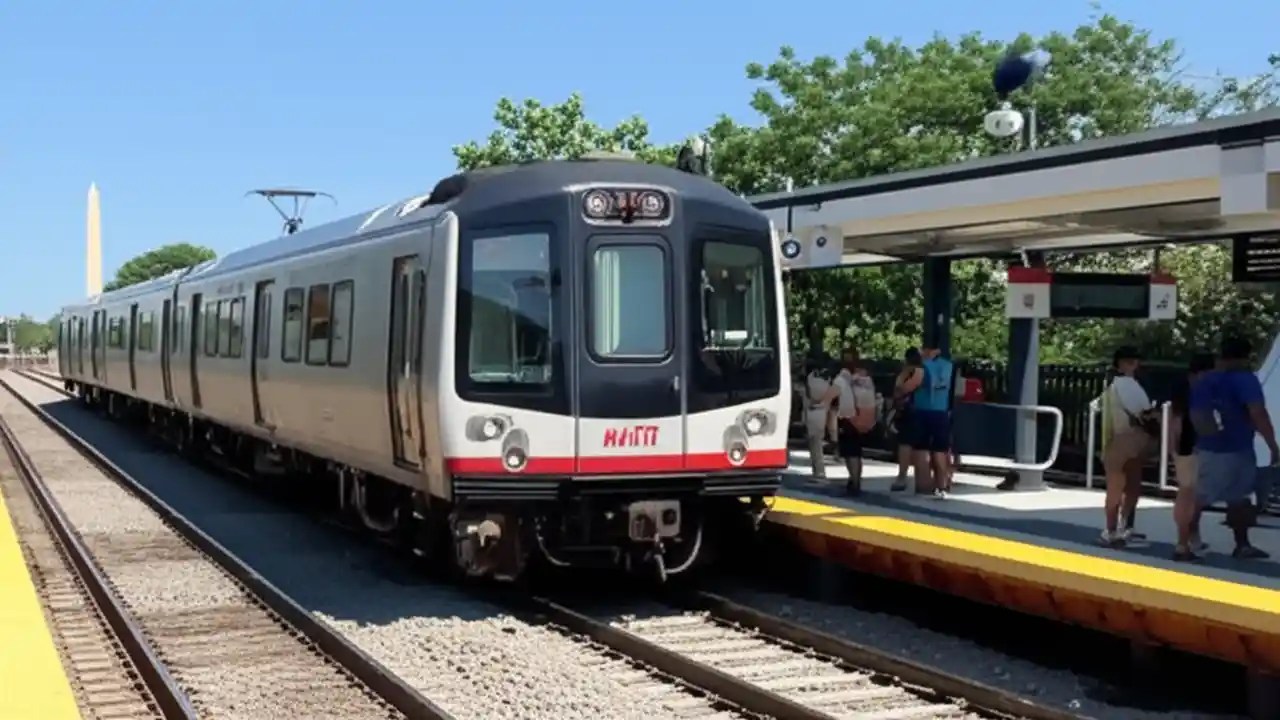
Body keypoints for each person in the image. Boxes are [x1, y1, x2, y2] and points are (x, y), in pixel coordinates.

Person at [1189, 336, 1276, 560]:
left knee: (1201, 496)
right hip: (1238, 447)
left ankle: (1188, 539)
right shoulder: (1246, 380)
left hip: (1208, 446)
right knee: (1238, 497)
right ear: (1246, 357)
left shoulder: (1206, 380)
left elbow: (1196, 412)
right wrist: (1272, 445)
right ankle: (1241, 544)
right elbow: (1257, 413)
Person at [1099, 347, 1158, 548]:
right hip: (1130, 440)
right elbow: (1144, 413)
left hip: (1113, 439)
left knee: (1117, 487)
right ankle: (1119, 528)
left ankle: (1113, 529)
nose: (1134, 364)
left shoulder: (1112, 386)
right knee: (1130, 487)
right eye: (1131, 361)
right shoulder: (1128, 385)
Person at [1169, 352, 1215, 560]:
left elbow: (1175, 420)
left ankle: (1186, 540)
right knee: (1192, 496)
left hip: (1184, 446)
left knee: (1185, 492)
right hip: (1199, 445)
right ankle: (1185, 542)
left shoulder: (1181, 388)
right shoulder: (1205, 390)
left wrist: (1173, 447)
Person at [817, 349, 877, 495]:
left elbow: (829, 397)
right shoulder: (866, 379)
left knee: (850, 453)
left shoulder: (842, 379)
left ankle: (854, 481)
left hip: (849, 418)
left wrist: (818, 407)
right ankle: (857, 480)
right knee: (857, 452)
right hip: (864, 420)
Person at [898, 345, 955, 498]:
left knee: (921, 450)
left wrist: (902, 379)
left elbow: (905, 388)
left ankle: (923, 486)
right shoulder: (948, 366)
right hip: (941, 411)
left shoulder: (920, 367)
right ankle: (942, 485)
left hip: (922, 411)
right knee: (940, 450)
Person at [889, 348, 922, 492]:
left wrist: (900, 381)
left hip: (909, 411)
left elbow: (901, 390)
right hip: (922, 410)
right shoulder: (925, 370)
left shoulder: (912, 372)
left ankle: (902, 476)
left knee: (905, 444)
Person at [801, 360, 835, 480]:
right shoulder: (828, 379)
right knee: (818, 442)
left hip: (812, 411)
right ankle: (818, 470)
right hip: (824, 410)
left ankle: (818, 471)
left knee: (814, 444)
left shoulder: (811, 379)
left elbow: (808, 397)